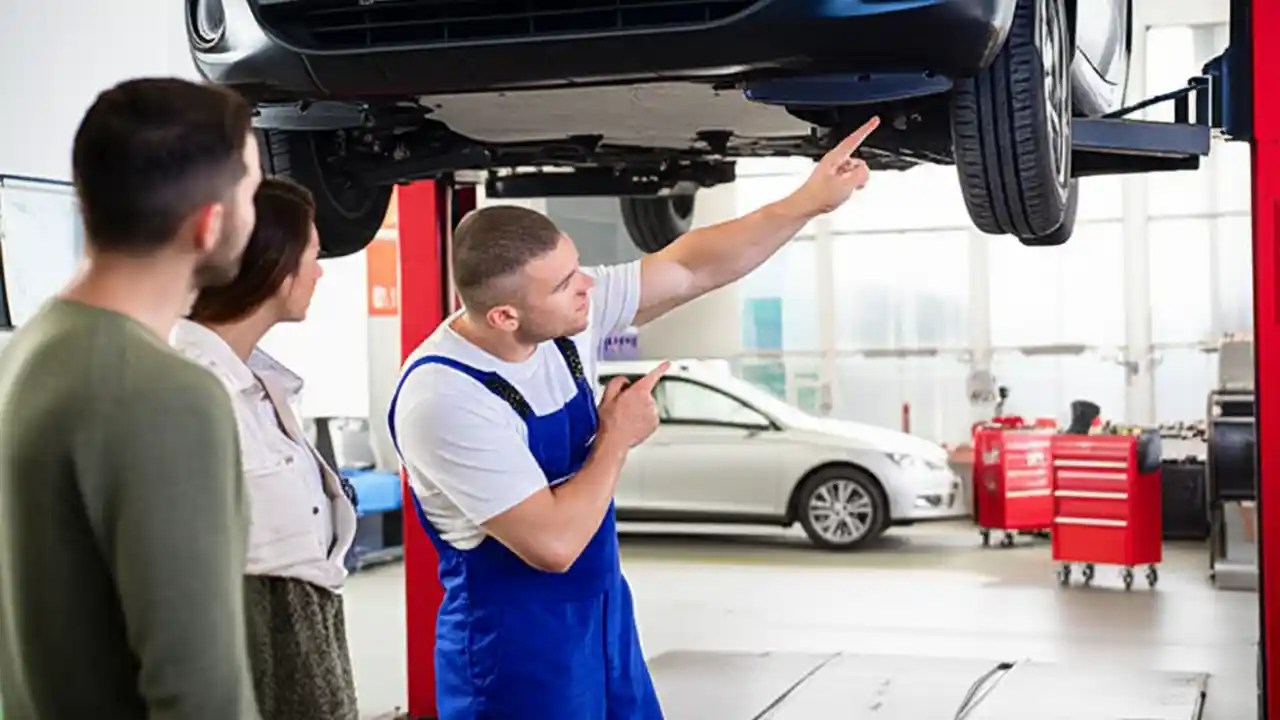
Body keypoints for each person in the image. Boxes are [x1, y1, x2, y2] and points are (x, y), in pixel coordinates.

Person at [387, 116, 881, 718]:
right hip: (514, 654)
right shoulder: (444, 400)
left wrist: (805, 202)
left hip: (601, 620)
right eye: (565, 282)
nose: (588, 286)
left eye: (577, 266)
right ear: (505, 319)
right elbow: (553, 543)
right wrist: (616, 439)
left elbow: (693, 266)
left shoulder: (564, 320)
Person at [0, 78, 262, 718]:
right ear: (210, 223)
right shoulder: (164, 395)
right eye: (252, 191)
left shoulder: (28, 354)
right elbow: (197, 692)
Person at [172, 176, 360, 720]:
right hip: (252, 650)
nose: (320, 272)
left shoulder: (256, 381)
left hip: (302, 639)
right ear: (275, 264)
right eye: (315, 255)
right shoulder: (190, 390)